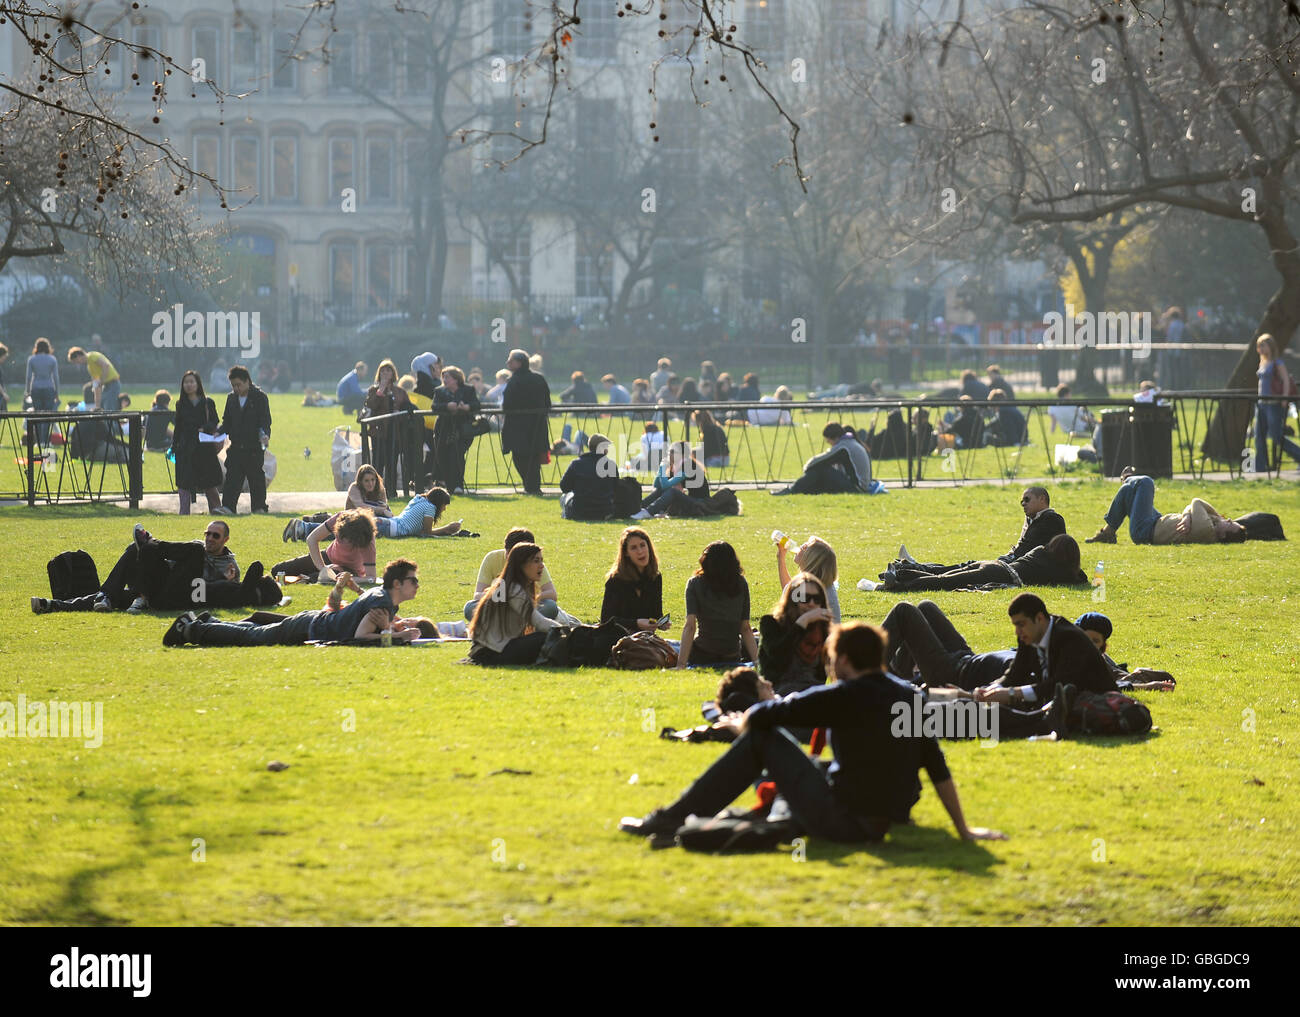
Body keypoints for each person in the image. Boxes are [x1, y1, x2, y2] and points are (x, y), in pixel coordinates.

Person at [620, 621, 1005, 846]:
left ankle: (671, 819)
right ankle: (712, 823)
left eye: (834, 658)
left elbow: (769, 715)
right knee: (812, 763)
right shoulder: (908, 696)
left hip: (847, 820)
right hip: (883, 819)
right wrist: (963, 830)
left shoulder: (843, 695)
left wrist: (741, 725)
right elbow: (936, 766)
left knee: (761, 739)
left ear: (847, 661)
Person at [163, 558, 421, 648]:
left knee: (256, 632)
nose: (417, 585)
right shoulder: (382, 602)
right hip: (311, 628)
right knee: (254, 638)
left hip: (312, 623)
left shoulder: (383, 599)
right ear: (397, 584)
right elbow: (360, 635)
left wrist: (393, 627)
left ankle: (208, 622)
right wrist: (397, 637)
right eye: (413, 581)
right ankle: (192, 629)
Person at [32, 521, 253, 614]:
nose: (210, 539)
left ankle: (150, 543)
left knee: (189, 549)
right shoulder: (195, 548)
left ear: (225, 540)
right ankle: (55, 605)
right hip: (163, 588)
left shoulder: (229, 567)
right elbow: (170, 567)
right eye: (208, 534)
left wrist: (226, 580)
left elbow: (218, 595)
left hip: (185, 597)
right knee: (132, 557)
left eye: (216, 536)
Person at [972, 593, 1120, 714]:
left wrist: (1012, 693)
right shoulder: (1029, 635)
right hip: (1055, 703)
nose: (1018, 632)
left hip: (1097, 704)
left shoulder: (1070, 638)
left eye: (1021, 624)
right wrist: (991, 689)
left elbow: (1060, 684)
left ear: (1039, 618)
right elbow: (1016, 673)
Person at [860, 534, 1087, 593]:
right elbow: (1079, 577)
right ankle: (898, 582)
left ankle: (901, 572)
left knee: (947, 576)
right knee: (943, 582)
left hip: (994, 565)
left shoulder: (1039, 552)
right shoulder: (1058, 571)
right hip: (1000, 576)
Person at [1085, 468, 1247, 545]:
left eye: (1231, 524)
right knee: (1128, 491)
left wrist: (1188, 514)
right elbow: (1192, 506)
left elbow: (1196, 501)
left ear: (1224, 536)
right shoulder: (1211, 525)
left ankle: (1129, 479)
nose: (1229, 519)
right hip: (1155, 521)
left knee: (1146, 482)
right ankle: (1108, 533)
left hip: (1144, 531)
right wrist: (1187, 515)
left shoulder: (1207, 531)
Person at [467, 542, 561, 664]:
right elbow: (539, 622)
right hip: (492, 653)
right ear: (521, 565)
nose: (542, 566)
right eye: (536, 561)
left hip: (484, 651)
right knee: (543, 638)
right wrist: (568, 631)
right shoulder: (514, 590)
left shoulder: (506, 585)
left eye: (542, 561)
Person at [677, 540, 759, 669]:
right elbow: (745, 628)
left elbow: (690, 626)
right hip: (732, 655)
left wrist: (680, 665)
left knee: (673, 646)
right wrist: (757, 663)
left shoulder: (695, 584)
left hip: (702, 656)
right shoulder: (741, 583)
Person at [757, 573, 833, 697]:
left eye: (817, 599)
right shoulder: (771, 623)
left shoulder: (822, 630)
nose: (812, 603)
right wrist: (801, 623)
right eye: (805, 598)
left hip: (814, 691)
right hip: (779, 690)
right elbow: (777, 655)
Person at [465, 527, 561, 621]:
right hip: (500, 607)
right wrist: (497, 596)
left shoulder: (534, 564)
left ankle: (507, 623)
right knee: (470, 608)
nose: (510, 558)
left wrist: (527, 597)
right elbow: (477, 595)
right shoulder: (492, 558)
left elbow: (552, 594)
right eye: (509, 553)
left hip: (526, 607)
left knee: (550, 607)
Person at [219, 364, 272, 514]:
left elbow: (265, 420)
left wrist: (265, 435)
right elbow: (227, 422)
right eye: (233, 385)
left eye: (239, 385)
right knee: (232, 478)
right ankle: (228, 507)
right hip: (235, 446)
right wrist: (218, 432)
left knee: (256, 478)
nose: (236, 388)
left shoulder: (260, 397)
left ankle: (259, 507)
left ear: (247, 381)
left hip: (254, 447)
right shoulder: (231, 399)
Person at [272, 508, 377, 582]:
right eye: (341, 538)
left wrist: (351, 579)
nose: (345, 542)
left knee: (321, 578)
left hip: (349, 570)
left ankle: (309, 578)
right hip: (328, 557)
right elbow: (312, 539)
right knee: (277, 571)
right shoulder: (340, 518)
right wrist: (323, 568)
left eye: (349, 541)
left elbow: (371, 577)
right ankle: (310, 577)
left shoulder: (367, 539)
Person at [173, 370, 225, 516]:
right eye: (186, 382)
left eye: (192, 382)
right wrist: (174, 445)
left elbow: (214, 420)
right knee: (184, 484)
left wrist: (205, 428)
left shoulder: (207, 402)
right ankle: (184, 514)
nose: (189, 385)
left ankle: (216, 512)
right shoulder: (180, 404)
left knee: (209, 483)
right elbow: (178, 426)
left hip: (204, 448)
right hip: (186, 448)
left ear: (198, 384)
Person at [500, 348, 552, 495]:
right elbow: (547, 402)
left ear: (518, 363)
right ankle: (533, 487)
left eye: (511, 360)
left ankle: (530, 487)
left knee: (520, 458)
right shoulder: (539, 379)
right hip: (537, 425)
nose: (508, 362)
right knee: (534, 459)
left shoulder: (514, 381)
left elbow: (507, 404)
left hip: (517, 427)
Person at [772, 422, 871, 495]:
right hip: (859, 486)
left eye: (828, 441)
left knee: (821, 469)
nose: (830, 445)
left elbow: (819, 461)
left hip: (856, 488)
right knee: (818, 479)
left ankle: (791, 490)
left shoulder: (843, 447)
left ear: (835, 438)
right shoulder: (850, 443)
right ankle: (795, 490)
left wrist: (807, 468)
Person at [600, 527, 665, 632]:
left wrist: (661, 623)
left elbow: (656, 614)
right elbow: (606, 620)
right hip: (619, 640)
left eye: (642, 545)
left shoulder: (655, 577)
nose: (640, 551)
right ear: (626, 553)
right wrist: (636, 623)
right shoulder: (615, 580)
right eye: (634, 548)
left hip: (645, 639)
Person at [364, 359, 413, 494]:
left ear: (393, 373)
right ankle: (376, 492)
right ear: (378, 374)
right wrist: (380, 391)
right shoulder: (373, 390)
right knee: (378, 463)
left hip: (395, 432)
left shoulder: (400, 392)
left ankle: (391, 491)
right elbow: (371, 405)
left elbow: (408, 407)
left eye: (388, 370)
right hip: (378, 432)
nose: (385, 373)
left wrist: (401, 413)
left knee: (392, 462)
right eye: (383, 371)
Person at [1253, 333, 1300, 472]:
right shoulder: (1263, 362)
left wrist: (1284, 398)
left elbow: (1286, 380)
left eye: (1263, 345)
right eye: (1259, 346)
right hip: (1262, 403)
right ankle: (1260, 465)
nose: (1260, 348)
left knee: (1276, 435)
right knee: (1259, 436)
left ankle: (1298, 455)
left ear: (1271, 347)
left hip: (1273, 403)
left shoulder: (1277, 362)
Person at [432, 365, 480, 494]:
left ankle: (458, 485)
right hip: (443, 429)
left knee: (457, 455)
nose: (444, 379)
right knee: (442, 456)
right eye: (443, 377)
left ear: (456, 378)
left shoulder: (468, 390)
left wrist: (467, 407)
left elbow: (476, 404)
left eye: (447, 377)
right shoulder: (439, 391)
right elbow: (434, 406)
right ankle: (450, 485)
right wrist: (447, 406)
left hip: (462, 429)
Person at [632, 441, 709, 519]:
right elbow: (657, 485)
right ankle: (637, 508)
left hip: (700, 502)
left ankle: (648, 512)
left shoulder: (688, 466)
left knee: (673, 492)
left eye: (672, 451)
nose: (669, 454)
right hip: (691, 500)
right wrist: (661, 469)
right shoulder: (676, 465)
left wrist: (662, 468)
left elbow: (666, 486)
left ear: (682, 454)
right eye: (669, 451)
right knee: (661, 490)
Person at [777, 535, 840, 623]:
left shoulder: (809, 588)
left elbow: (789, 592)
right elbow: (789, 591)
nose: (801, 546)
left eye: (806, 547)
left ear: (812, 560)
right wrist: (781, 557)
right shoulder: (820, 583)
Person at [560, 433, 620, 520]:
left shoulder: (577, 463)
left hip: (580, 511)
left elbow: (564, 487)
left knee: (564, 497)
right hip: (604, 512)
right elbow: (616, 489)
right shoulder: (610, 465)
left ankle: (566, 513)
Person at [373, 486, 460, 539]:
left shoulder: (420, 499)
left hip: (387, 523)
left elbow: (421, 532)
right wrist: (448, 528)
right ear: (438, 502)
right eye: (444, 505)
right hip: (389, 528)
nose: (444, 509)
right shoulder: (430, 507)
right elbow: (427, 533)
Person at [66, 345, 120, 414]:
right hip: (106, 386)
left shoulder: (92, 356)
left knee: (109, 410)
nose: (77, 364)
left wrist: (102, 381)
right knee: (103, 408)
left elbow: (105, 366)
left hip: (113, 384)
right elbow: (96, 386)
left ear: (78, 356)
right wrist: (97, 406)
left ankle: (113, 425)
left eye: (75, 361)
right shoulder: (89, 367)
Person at [25, 338, 60, 437]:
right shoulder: (52, 359)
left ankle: (39, 438)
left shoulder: (32, 359)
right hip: (49, 388)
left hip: (35, 388)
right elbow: (56, 377)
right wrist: (57, 392)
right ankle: (45, 439)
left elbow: (28, 377)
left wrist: (27, 391)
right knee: (48, 415)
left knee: (37, 414)